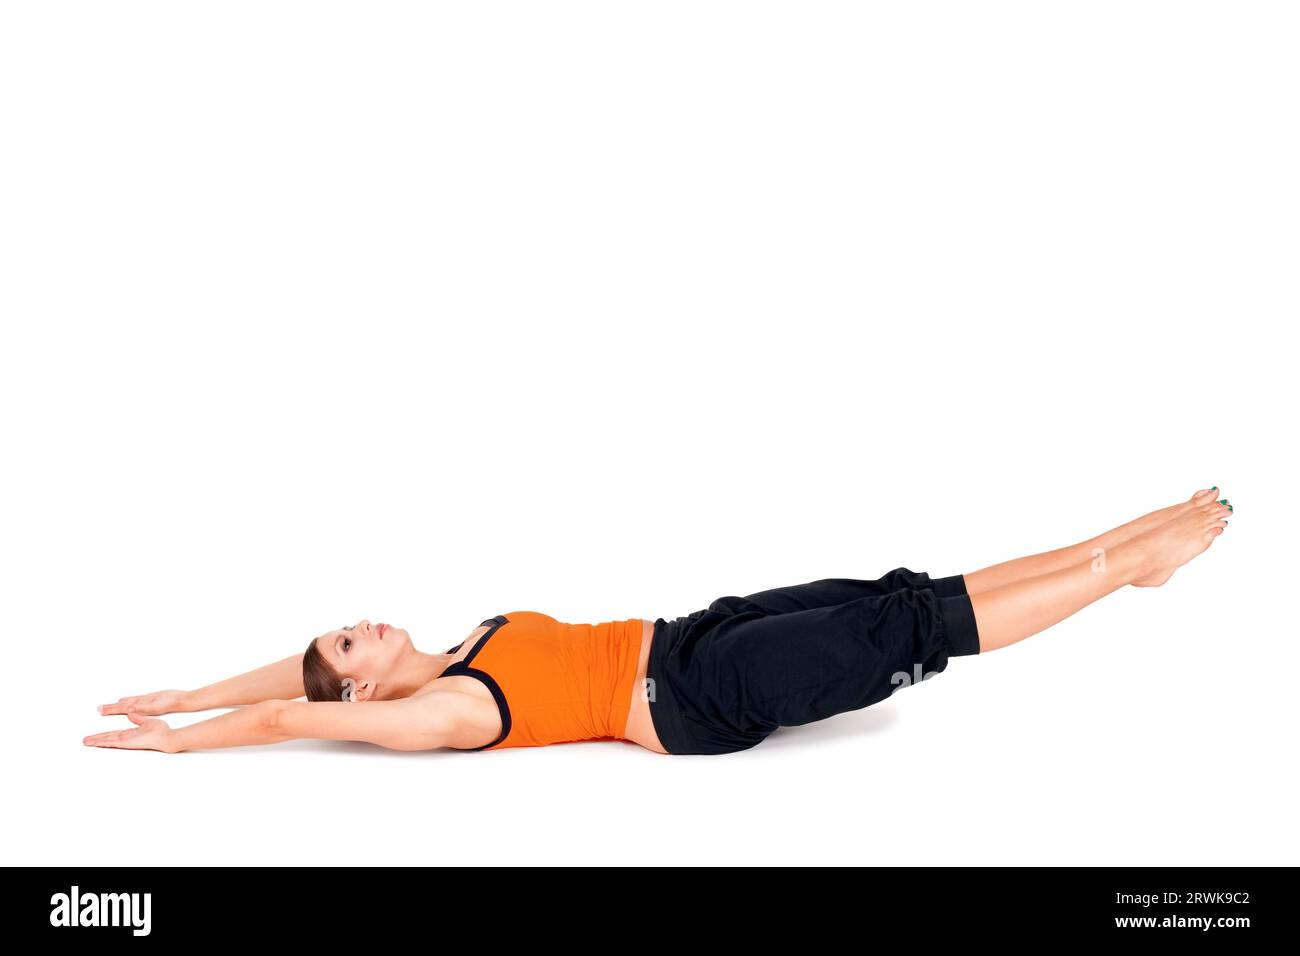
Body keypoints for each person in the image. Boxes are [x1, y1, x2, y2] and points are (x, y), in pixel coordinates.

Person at [85, 488, 1232, 756]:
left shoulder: (469, 642)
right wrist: (188, 738)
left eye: (344, 627)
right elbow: (297, 711)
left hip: (687, 634)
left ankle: (1118, 554)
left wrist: (188, 683)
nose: (359, 628)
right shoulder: (440, 709)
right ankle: (1129, 560)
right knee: (912, 629)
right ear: (370, 690)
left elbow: (294, 677)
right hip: (691, 699)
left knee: (904, 591)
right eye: (352, 645)